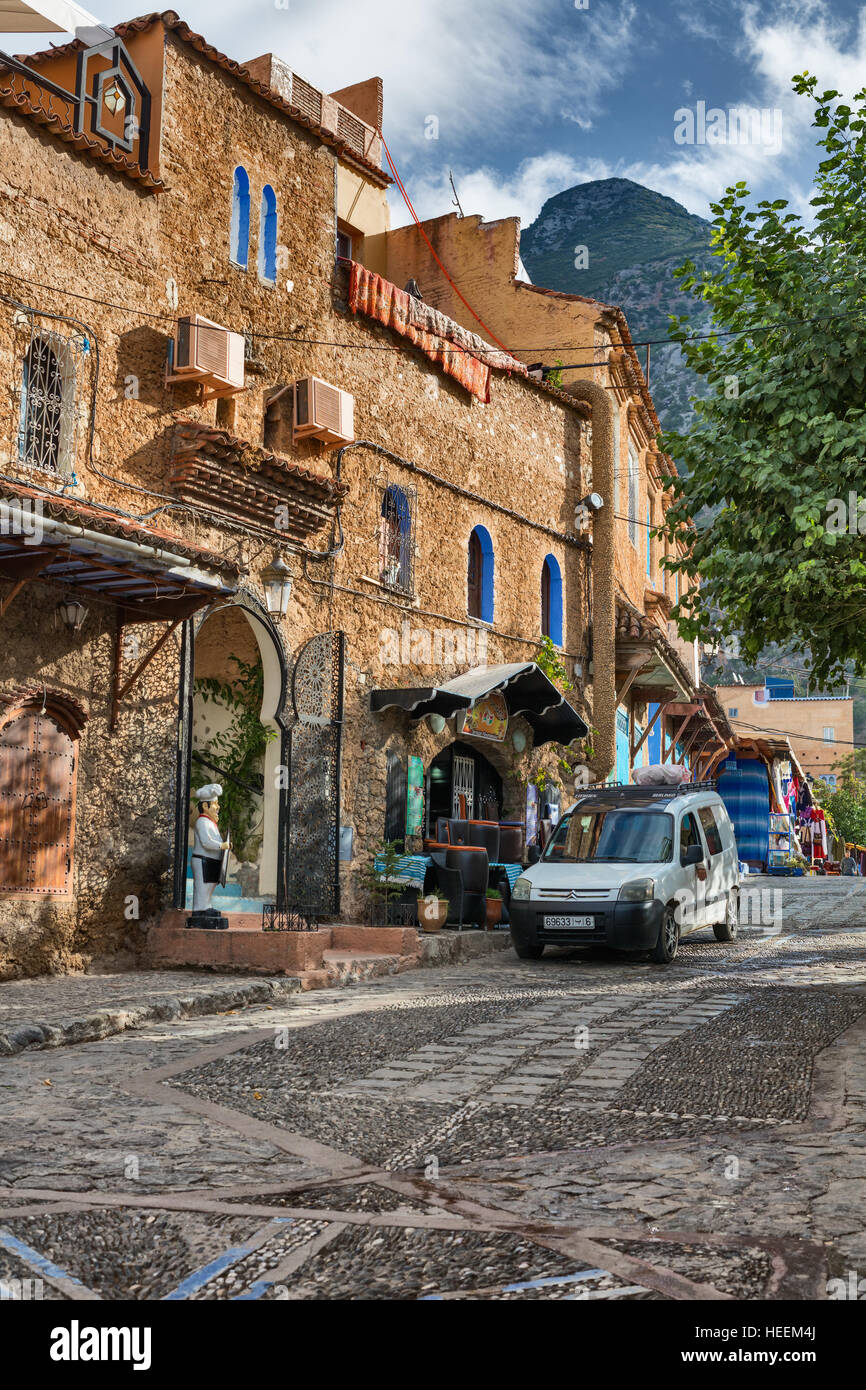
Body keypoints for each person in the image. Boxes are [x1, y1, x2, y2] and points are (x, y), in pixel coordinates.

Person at [190, 783, 230, 925]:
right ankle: (199, 909)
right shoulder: (202, 822)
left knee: (209, 886)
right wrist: (222, 845)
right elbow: (207, 842)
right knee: (202, 886)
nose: (218, 807)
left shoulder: (211, 823)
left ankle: (206, 907)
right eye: (215, 804)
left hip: (210, 861)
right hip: (203, 860)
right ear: (206, 806)